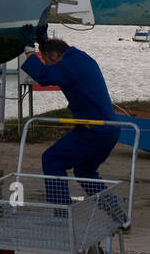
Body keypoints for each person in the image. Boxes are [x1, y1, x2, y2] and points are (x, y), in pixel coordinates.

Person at [21, 30, 120, 206]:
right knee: (84, 171)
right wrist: (44, 43)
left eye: (47, 61)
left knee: (52, 160)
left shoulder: (70, 64)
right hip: (109, 129)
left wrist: (29, 48)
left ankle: (62, 213)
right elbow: (53, 68)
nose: (49, 66)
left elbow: (44, 76)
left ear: (55, 55)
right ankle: (117, 214)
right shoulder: (80, 58)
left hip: (94, 129)